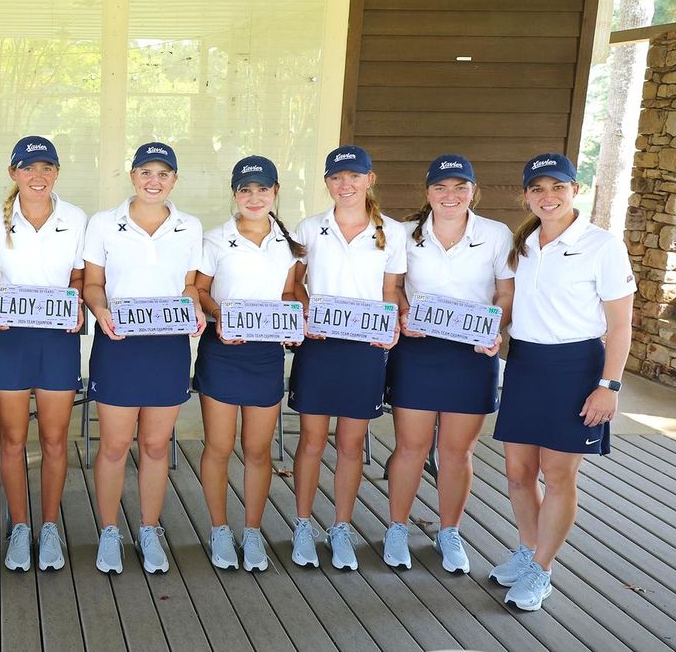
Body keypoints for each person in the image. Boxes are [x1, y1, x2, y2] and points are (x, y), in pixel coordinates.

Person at [490, 153, 634, 611]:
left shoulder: (601, 245)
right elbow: (510, 304)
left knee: (557, 474)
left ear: (576, 189)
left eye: (557, 187)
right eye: (537, 189)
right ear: (526, 195)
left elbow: (622, 325)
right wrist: (491, 331)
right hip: (525, 365)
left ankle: (542, 569)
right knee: (517, 474)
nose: (547, 197)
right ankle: (530, 551)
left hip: (577, 370)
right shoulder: (523, 243)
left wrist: (608, 386)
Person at [383, 154, 514, 574]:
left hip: (472, 355)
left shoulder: (496, 234)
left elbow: (505, 293)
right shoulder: (405, 234)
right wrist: (402, 313)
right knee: (410, 447)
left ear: (473, 191)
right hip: (419, 350)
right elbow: (396, 286)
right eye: (441, 187)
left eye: (460, 187)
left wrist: (497, 328)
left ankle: (449, 531)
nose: (450, 195)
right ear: (428, 193)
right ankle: (397, 528)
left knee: (457, 452)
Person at [83, 142, 205, 575]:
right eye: (146, 172)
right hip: (118, 344)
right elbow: (93, 283)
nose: (154, 181)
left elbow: (189, 286)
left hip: (168, 346)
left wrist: (194, 309)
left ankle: (150, 529)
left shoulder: (190, 227)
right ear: (132, 176)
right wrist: (99, 311)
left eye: (163, 174)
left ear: (174, 179)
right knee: (115, 446)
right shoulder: (103, 223)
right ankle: (109, 532)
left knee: (155, 446)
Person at [289, 145, 406, 571]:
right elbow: (294, 284)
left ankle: (340, 527)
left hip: (366, 349)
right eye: (337, 178)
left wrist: (390, 323)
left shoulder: (392, 233)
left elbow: (390, 293)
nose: (346, 185)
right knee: (312, 441)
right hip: (319, 346)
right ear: (327, 183)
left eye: (354, 177)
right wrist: (304, 313)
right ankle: (302, 524)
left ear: (369, 180)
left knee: (351, 444)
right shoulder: (308, 227)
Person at [0, 136, 86, 572]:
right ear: (13, 173)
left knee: (55, 439)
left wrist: (77, 303)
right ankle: (20, 527)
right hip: (9, 337)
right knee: (12, 438)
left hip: (58, 336)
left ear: (57, 173)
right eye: (28, 168)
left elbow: (80, 278)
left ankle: (49, 525)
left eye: (46, 168)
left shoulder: (76, 218)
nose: (37, 176)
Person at [193, 155, 303, 572]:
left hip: (266, 353)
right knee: (219, 447)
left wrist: (294, 320)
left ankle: (252, 530)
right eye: (245, 189)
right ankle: (220, 528)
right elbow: (200, 291)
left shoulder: (288, 243)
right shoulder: (215, 239)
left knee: (257, 450)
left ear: (275, 192)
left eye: (262, 189)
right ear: (235, 195)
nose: (254, 197)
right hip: (223, 349)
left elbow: (291, 293)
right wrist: (222, 317)